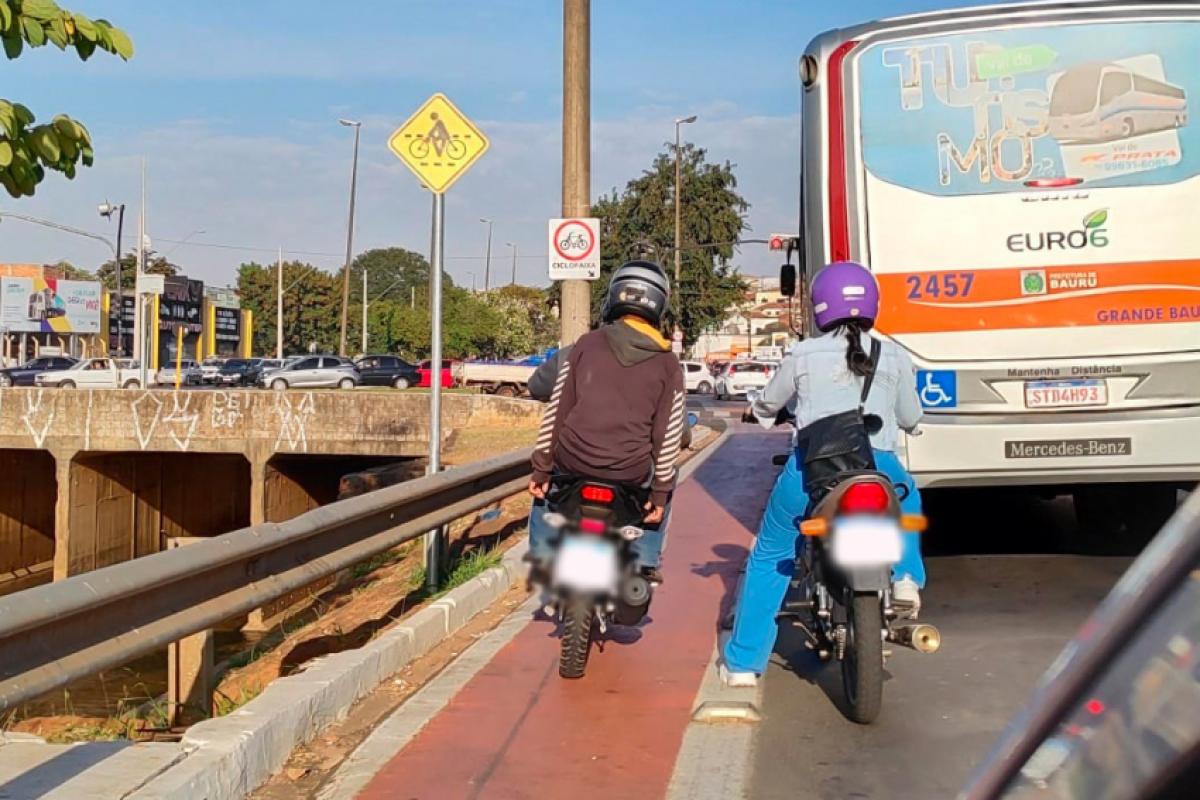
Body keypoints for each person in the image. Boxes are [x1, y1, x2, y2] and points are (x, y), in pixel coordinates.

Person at [721, 260, 925, 687]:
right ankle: (907, 579)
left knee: (772, 554)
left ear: (820, 306)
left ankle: (742, 665)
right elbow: (911, 417)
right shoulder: (895, 353)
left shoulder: (803, 354)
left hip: (812, 470)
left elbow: (769, 404)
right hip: (879, 466)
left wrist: (758, 412)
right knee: (908, 505)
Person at [526, 261, 688, 583]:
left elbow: (556, 410)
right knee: (667, 478)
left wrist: (541, 467)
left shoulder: (586, 344)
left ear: (614, 297)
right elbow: (667, 438)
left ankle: (542, 552)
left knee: (545, 494)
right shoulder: (668, 363)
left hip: (574, 460)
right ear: (659, 305)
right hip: (630, 470)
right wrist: (658, 496)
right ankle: (645, 558)